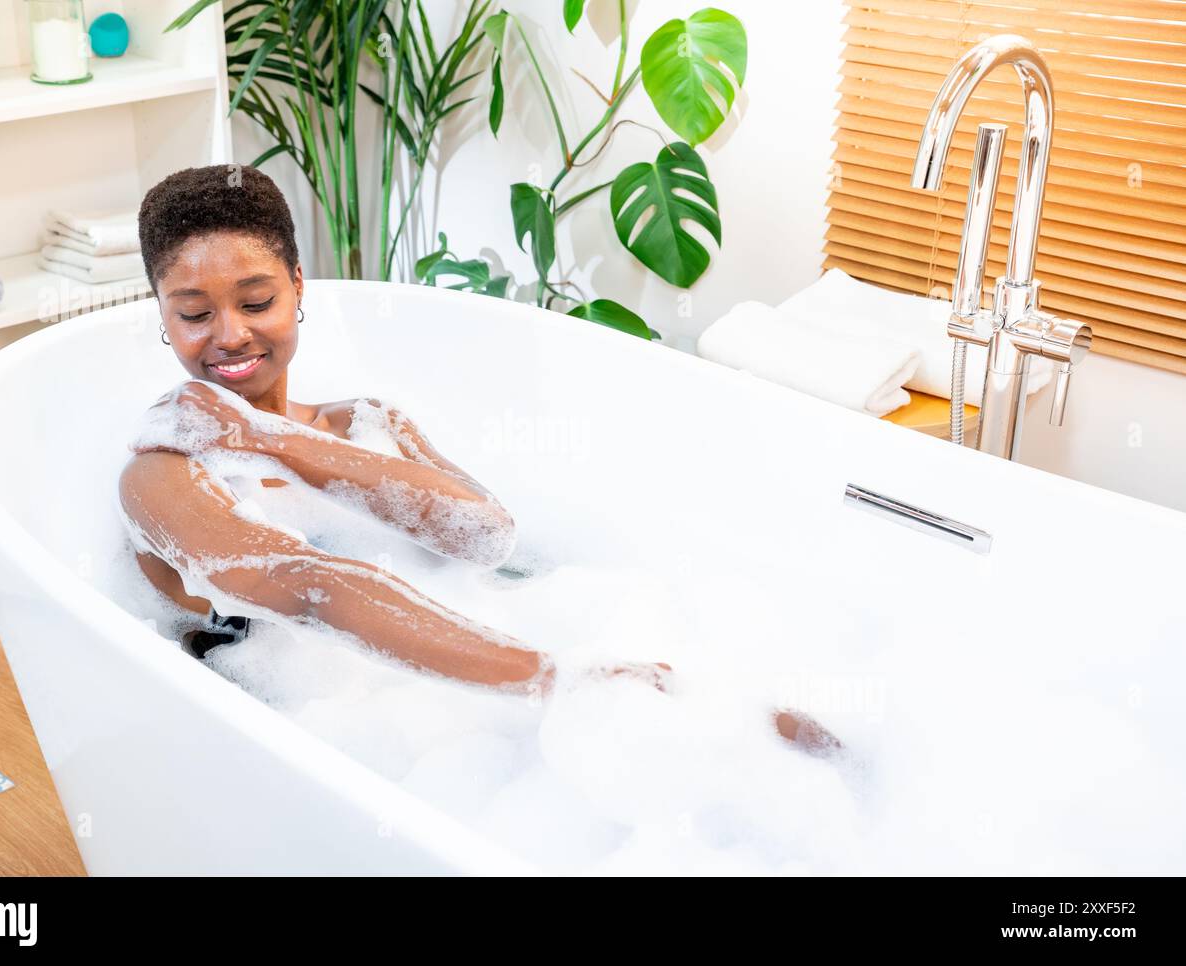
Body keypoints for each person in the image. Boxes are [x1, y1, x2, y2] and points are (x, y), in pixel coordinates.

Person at [117, 164, 836, 753]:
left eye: (256, 301)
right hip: (367, 724)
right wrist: (556, 680)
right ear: (163, 317)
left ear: (298, 286)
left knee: (773, 729)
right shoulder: (161, 472)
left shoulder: (365, 421)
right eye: (194, 314)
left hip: (492, 658)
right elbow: (307, 586)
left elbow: (486, 537)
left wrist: (270, 438)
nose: (230, 335)